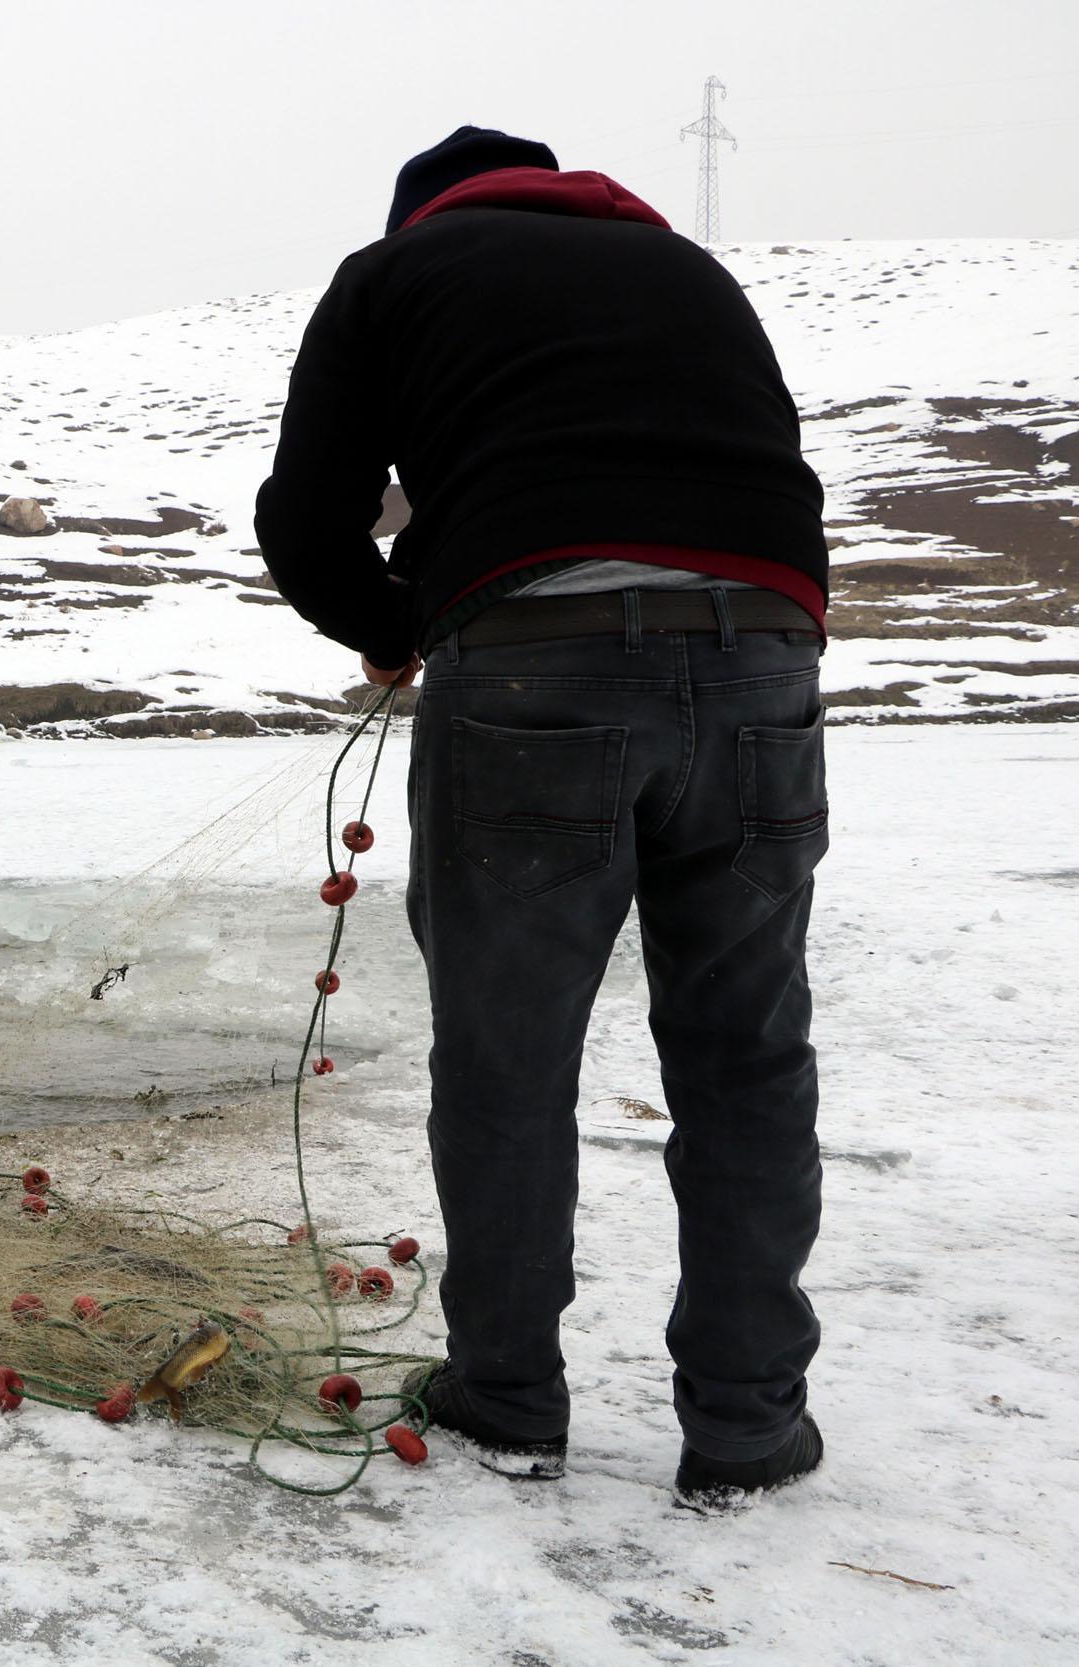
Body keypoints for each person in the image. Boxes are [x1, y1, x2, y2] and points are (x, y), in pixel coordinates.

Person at [253, 128, 831, 1507]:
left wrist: (397, 627)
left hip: (533, 664)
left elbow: (307, 521)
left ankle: (508, 1395)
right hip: (764, 654)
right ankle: (747, 1421)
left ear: (420, 213)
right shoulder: (687, 270)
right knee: (747, 1051)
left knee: (506, 1053)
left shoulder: (393, 276)